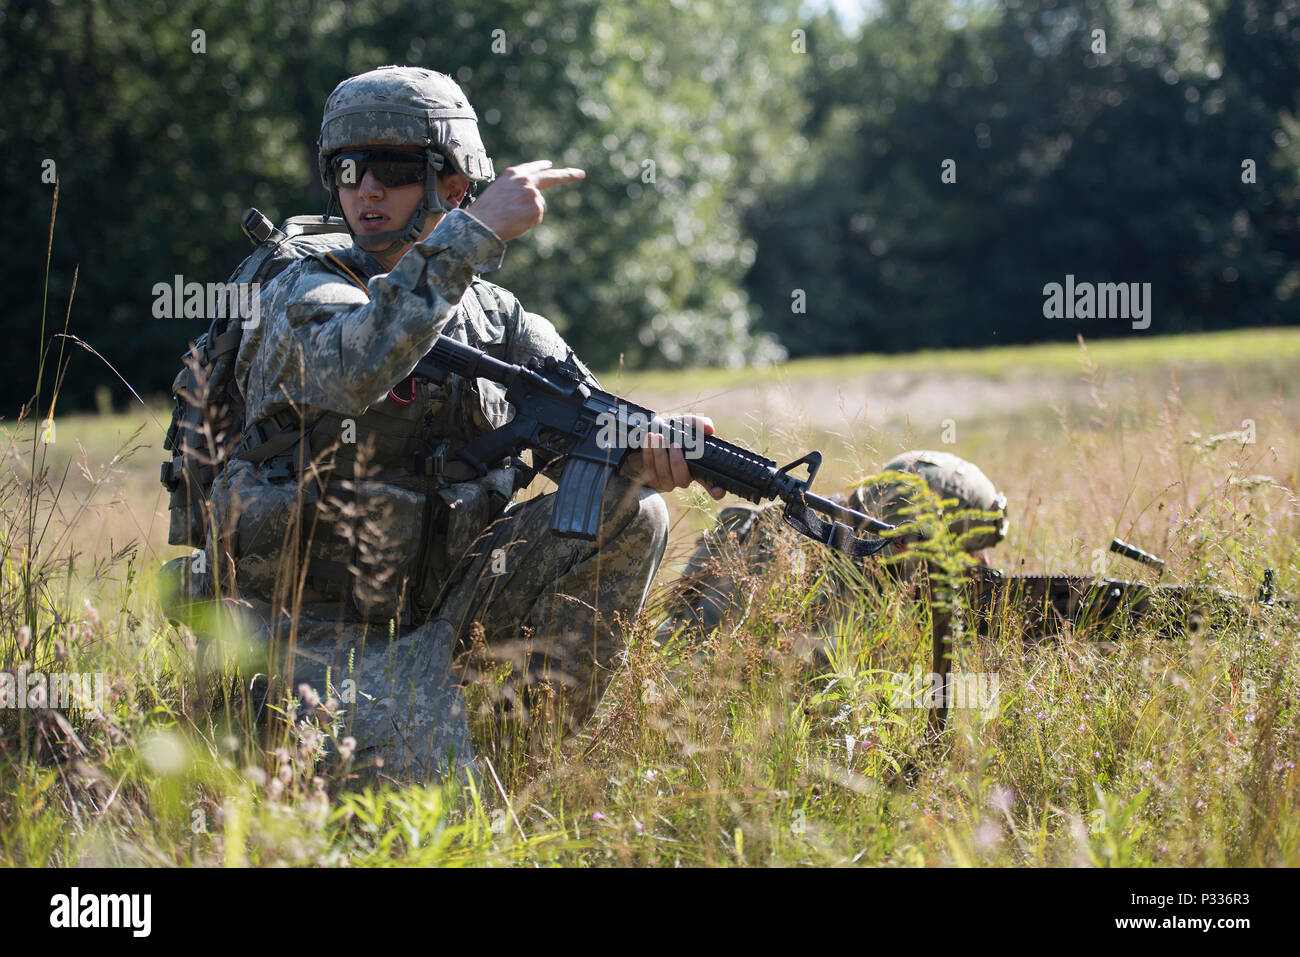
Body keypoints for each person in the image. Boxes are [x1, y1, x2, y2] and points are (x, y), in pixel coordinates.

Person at [192, 66, 723, 781]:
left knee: (633, 509)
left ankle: (521, 755)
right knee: (437, 813)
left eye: (392, 167)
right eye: (347, 169)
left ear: (453, 182)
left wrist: (655, 442)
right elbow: (360, 360)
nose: (366, 188)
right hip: (304, 642)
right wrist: (473, 238)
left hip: (439, 625)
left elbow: (586, 430)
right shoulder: (299, 290)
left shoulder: (493, 317)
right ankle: (456, 760)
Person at [658, 450, 1009, 640]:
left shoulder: (876, 575)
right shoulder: (769, 549)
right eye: (969, 552)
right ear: (906, 542)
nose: (980, 563)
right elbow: (685, 663)